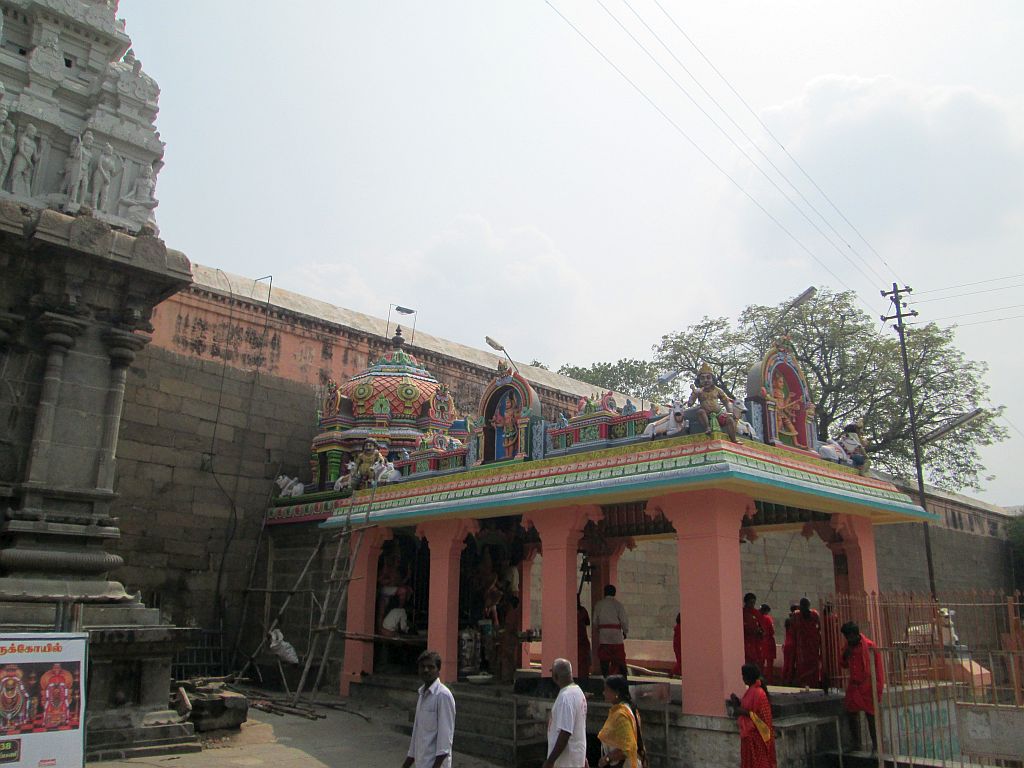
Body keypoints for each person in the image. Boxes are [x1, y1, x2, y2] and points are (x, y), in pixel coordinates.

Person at [403, 650, 456, 768]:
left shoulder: (443, 695)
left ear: (438, 670)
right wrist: (406, 764)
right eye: (422, 667)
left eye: (431, 667)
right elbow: (417, 735)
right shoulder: (422, 694)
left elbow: (445, 741)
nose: (426, 670)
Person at [840, 622, 884, 754]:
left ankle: (876, 746)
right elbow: (843, 664)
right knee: (851, 713)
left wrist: (878, 688)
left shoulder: (870, 646)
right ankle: (856, 743)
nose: (848, 640)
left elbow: (878, 670)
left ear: (855, 634)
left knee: (871, 716)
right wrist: (845, 655)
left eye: (849, 637)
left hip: (868, 686)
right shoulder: (848, 646)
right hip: (855, 687)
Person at [729, 664, 777, 768]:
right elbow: (747, 706)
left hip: (757, 738)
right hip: (748, 737)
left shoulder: (759, 693)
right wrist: (737, 702)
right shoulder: (751, 691)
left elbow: (762, 719)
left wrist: (742, 711)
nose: (742, 678)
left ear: (748, 676)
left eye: (743, 676)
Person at [543, 658, 587, 768]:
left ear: (555, 676)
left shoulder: (565, 697)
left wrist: (550, 761)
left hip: (566, 762)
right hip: (575, 758)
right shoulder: (578, 691)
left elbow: (565, 732)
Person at [597, 675, 645, 768]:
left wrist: (607, 759)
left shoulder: (621, 714)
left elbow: (628, 748)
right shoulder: (627, 709)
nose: (603, 693)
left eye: (606, 690)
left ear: (616, 692)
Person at [686, 362, 740, 443]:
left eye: (708, 378)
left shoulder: (718, 390)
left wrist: (730, 412)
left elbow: (726, 402)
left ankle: (734, 439)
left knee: (730, 420)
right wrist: (695, 394)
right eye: (702, 378)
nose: (706, 380)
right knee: (700, 412)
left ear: (713, 379)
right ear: (699, 381)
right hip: (705, 415)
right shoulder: (698, 391)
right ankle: (707, 428)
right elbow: (689, 404)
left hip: (719, 414)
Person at [593, 585, 630, 677]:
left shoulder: (599, 605)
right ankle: (624, 678)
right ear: (614, 593)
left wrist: (599, 631)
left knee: (604, 658)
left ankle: (605, 677)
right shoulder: (618, 605)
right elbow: (624, 621)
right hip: (616, 635)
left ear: (604, 592)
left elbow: (594, 622)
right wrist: (625, 631)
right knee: (620, 658)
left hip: (604, 636)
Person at [790, 598, 822, 688]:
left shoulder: (814, 615)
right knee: (802, 666)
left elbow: (819, 627)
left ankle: (813, 684)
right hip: (802, 645)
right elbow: (792, 630)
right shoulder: (796, 615)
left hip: (812, 645)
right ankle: (804, 684)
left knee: (813, 665)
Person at [742, 593, 764, 668]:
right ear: (746, 602)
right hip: (745, 642)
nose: (752, 604)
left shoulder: (756, 613)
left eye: (754, 602)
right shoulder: (741, 613)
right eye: (750, 602)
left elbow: (762, 627)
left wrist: (760, 632)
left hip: (756, 642)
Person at [759, 604, 777, 683]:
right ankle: (770, 680)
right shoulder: (768, 618)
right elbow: (772, 631)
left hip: (760, 643)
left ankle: (760, 680)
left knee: (760, 663)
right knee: (769, 664)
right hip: (769, 643)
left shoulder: (757, 618)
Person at [781, 605, 797, 685]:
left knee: (786, 663)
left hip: (786, 643)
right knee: (791, 663)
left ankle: (783, 679)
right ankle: (788, 680)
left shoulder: (788, 620)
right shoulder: (794, 621)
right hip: (792, 645)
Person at [577, 600, 592, 679]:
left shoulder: (582, 611)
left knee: (584, 659)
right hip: (578, 639)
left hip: (582, 638)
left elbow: (587, 622)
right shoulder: (582, 611)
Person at [671, 613, 682, 677]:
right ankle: (673, 673)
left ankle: (673, 672)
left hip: (677, 646)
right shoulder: (680, 629)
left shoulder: (678, 628)